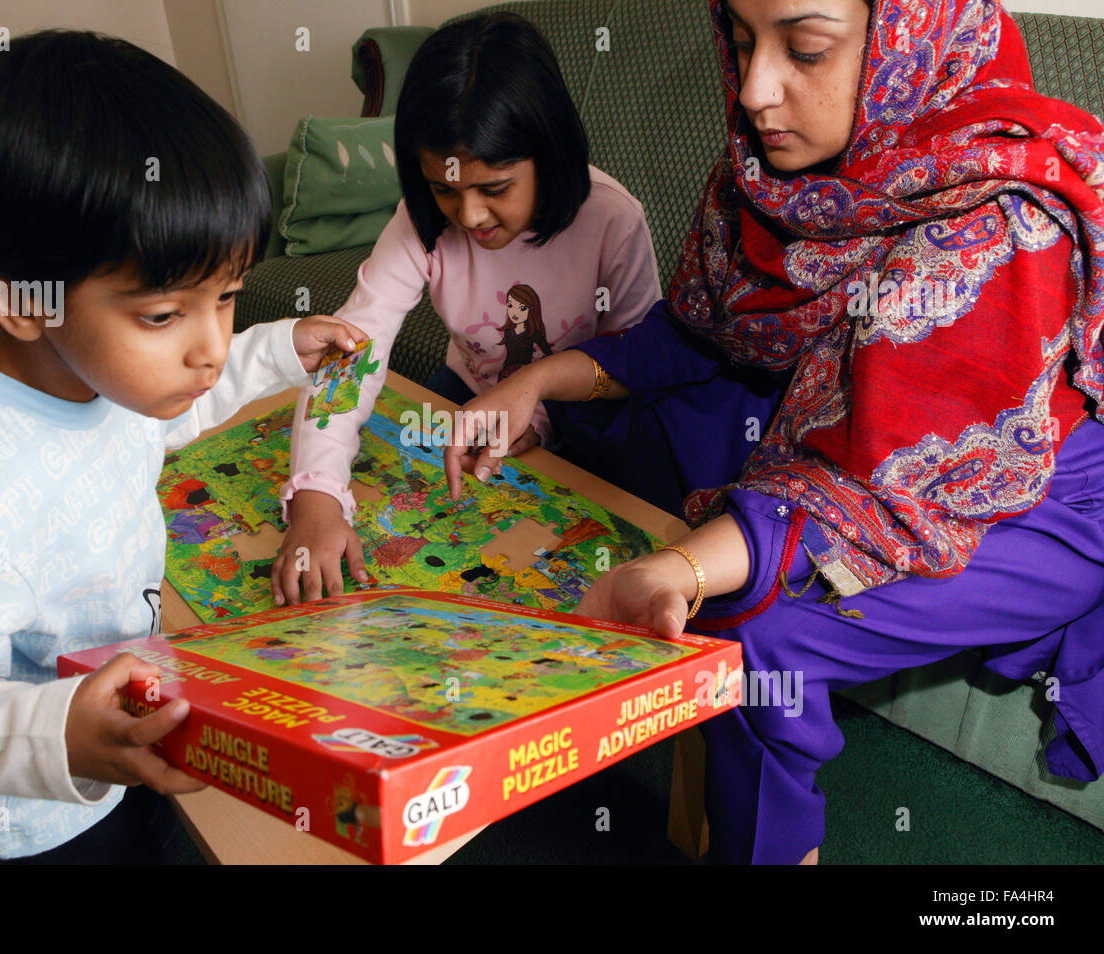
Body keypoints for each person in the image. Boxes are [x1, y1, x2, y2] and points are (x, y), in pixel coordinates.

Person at [449, 0, 1104, 864]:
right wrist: (532, 381)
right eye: (744, 41)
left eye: (804, 48)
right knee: (641, 424)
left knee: (756, 630)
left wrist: (680, 566)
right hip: (841, 441)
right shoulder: (764, 176)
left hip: (1031, 498)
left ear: (907, 45)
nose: (757, 89)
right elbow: (689, 335)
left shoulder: (999, 213)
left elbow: (878, 484)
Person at [0, 30, 362, 861]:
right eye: (162, 315)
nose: (210, 348)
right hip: (14, 815)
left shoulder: (103, 375)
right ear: (18, 299)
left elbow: (174, 413)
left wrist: (275, 349)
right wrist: (63, 734)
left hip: (112, 724)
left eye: (226, 297)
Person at [271, 12, 662, 605]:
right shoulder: (420, 221)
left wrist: (542, 414)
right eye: (445, 189)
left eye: (495, 188)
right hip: (463, 394)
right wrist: (316, 498)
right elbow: (354, 351)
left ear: (549, 153)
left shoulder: (613, 220)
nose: (470, 215)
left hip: (589, 421)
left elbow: (640, 367)